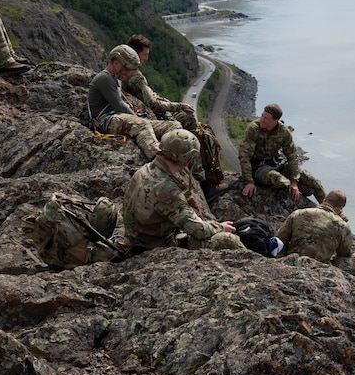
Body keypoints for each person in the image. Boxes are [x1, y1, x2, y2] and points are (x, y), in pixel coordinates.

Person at [122, 34, 226, 194]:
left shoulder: (125, 71)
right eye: (145, 55)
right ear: (135, 54)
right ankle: (203, 182)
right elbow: (153, 104)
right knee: (190, 131)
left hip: (143, 113)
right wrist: (179, 106)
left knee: (190, 120)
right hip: (149, 116)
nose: (146, 58)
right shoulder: (135, 77)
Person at [122, 129, 243, 253]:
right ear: (187, 160)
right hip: (151, 245)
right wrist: (220, 227)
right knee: (229, 240)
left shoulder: (145, 170)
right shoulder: (166, 189)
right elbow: (199, 230)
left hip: (136, 236)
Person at [87, 44, 181, 162]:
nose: (127, 73)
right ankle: (159, 158)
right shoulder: (104, 79)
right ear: (116, 62)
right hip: (105, 120)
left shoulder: (115, 79)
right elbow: (119, 106)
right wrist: (138, 117)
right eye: (126, 69)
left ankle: (171, 152)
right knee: (142, 124)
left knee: (173, 126)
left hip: (119, 118)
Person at [239, 103, 325, 203]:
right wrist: (249, 181)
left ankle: (331, 210)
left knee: (313, 181)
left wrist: (294, 181)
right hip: (259, 168)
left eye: (266, 118)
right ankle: (305, 190)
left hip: (276, 163)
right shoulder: (254, 129)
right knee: (280, 181)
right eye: (262, 115)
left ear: (275, 121)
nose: (262, 119)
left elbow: (292, 155)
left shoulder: (283, 131)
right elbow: (244, 155)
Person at [275, 190, 355, 274]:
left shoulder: (298, 213)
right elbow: (344, 254)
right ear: (339, 208)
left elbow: (280, 239)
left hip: (293, 260)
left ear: (324, 200)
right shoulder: (342, 225)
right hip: (321, 268)